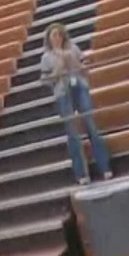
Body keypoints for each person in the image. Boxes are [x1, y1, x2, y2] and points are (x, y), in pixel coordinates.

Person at [40, 22, 112, 185]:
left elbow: (85, 66)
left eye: (60, 34)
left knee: (90, 125)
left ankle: (105, 167)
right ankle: (81, 173)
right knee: (72, 132)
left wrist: (75, 63)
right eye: (54, 35)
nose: (57, 38)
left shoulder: (73, 48)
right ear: (49, 39)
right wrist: (58, 69)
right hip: (62, 92)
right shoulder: (46, 57)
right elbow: (45, 80)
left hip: (79, 86)